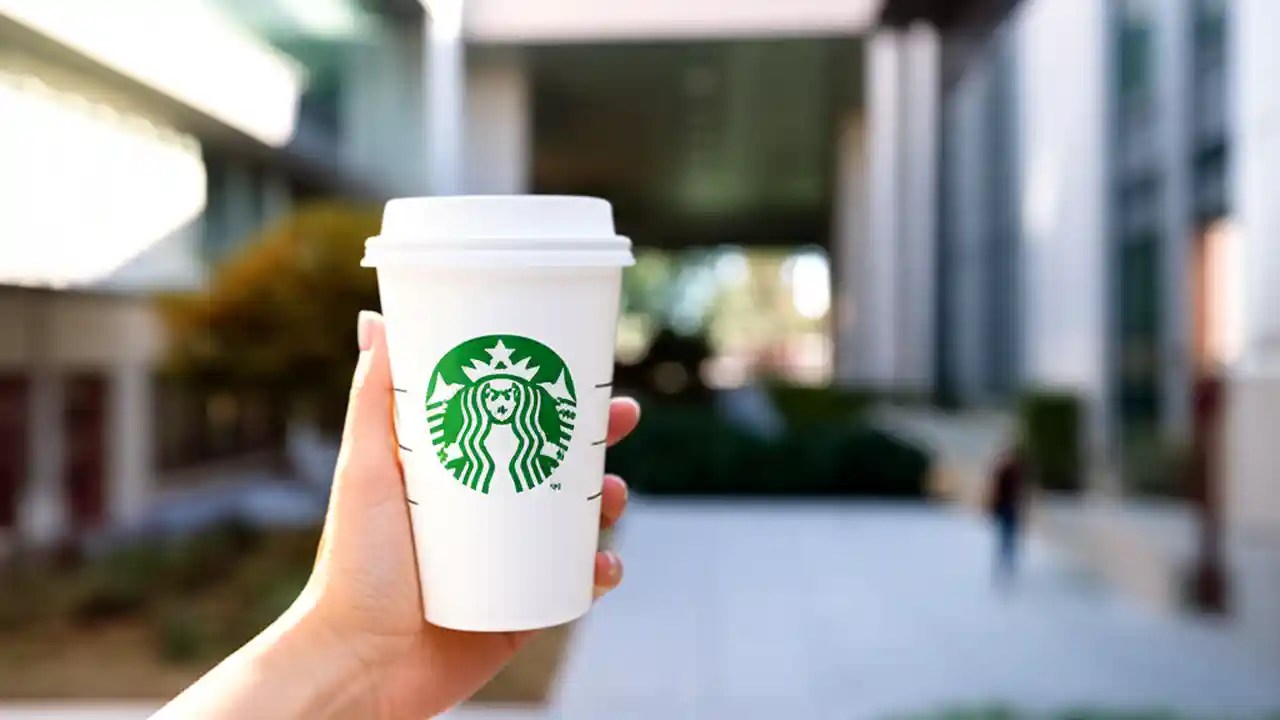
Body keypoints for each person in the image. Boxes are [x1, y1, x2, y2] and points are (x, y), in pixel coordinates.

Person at [154, 312, 639, 719]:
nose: (500, 402)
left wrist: (354, 656)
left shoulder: (533, 444)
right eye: (490, 395)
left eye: (510, 395)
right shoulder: (470, 444)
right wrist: (352, 646)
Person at [988, 445, 1026, 588]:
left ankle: (1007, 567)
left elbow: (1019, 493)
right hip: (1006, 508)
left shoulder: (1013, 472)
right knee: (1005, 538)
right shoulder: (1006, 472)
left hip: (1010, 509)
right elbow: (996, 492)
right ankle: (1004, 566)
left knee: (1009, 538)